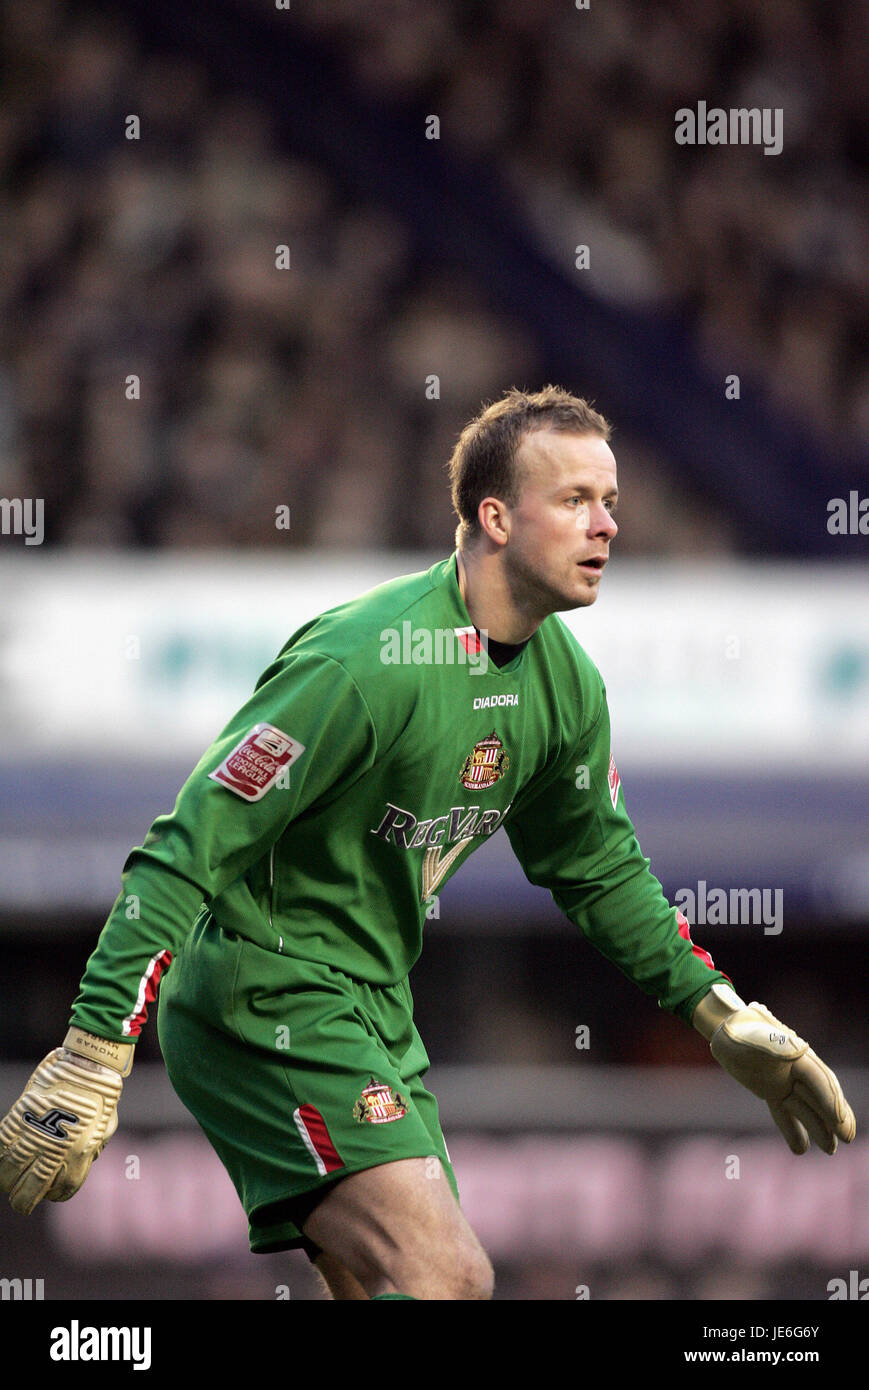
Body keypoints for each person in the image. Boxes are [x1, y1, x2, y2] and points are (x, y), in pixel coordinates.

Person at [0, 386, 855, 1300]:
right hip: (264, 990)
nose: (606, 526)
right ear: (493, 515)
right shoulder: (362, 661)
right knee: (448, 1279)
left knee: (384, 1290)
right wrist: (94, 1047)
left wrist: (715, 1009)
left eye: (610, 502)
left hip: (373, 1005)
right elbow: (188, 845)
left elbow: (598, 869)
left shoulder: (566, 686)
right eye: (574, 501)